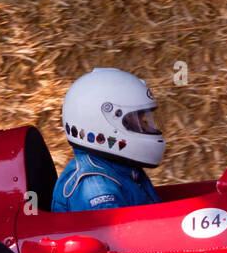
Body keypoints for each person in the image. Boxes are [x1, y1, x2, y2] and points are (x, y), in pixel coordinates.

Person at [52, 68, 163, 212]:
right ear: (102, 124)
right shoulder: (95, 188)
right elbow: (122, 233)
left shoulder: (123, 169)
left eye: (144, 119)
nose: (146, 126)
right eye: (137, 120)